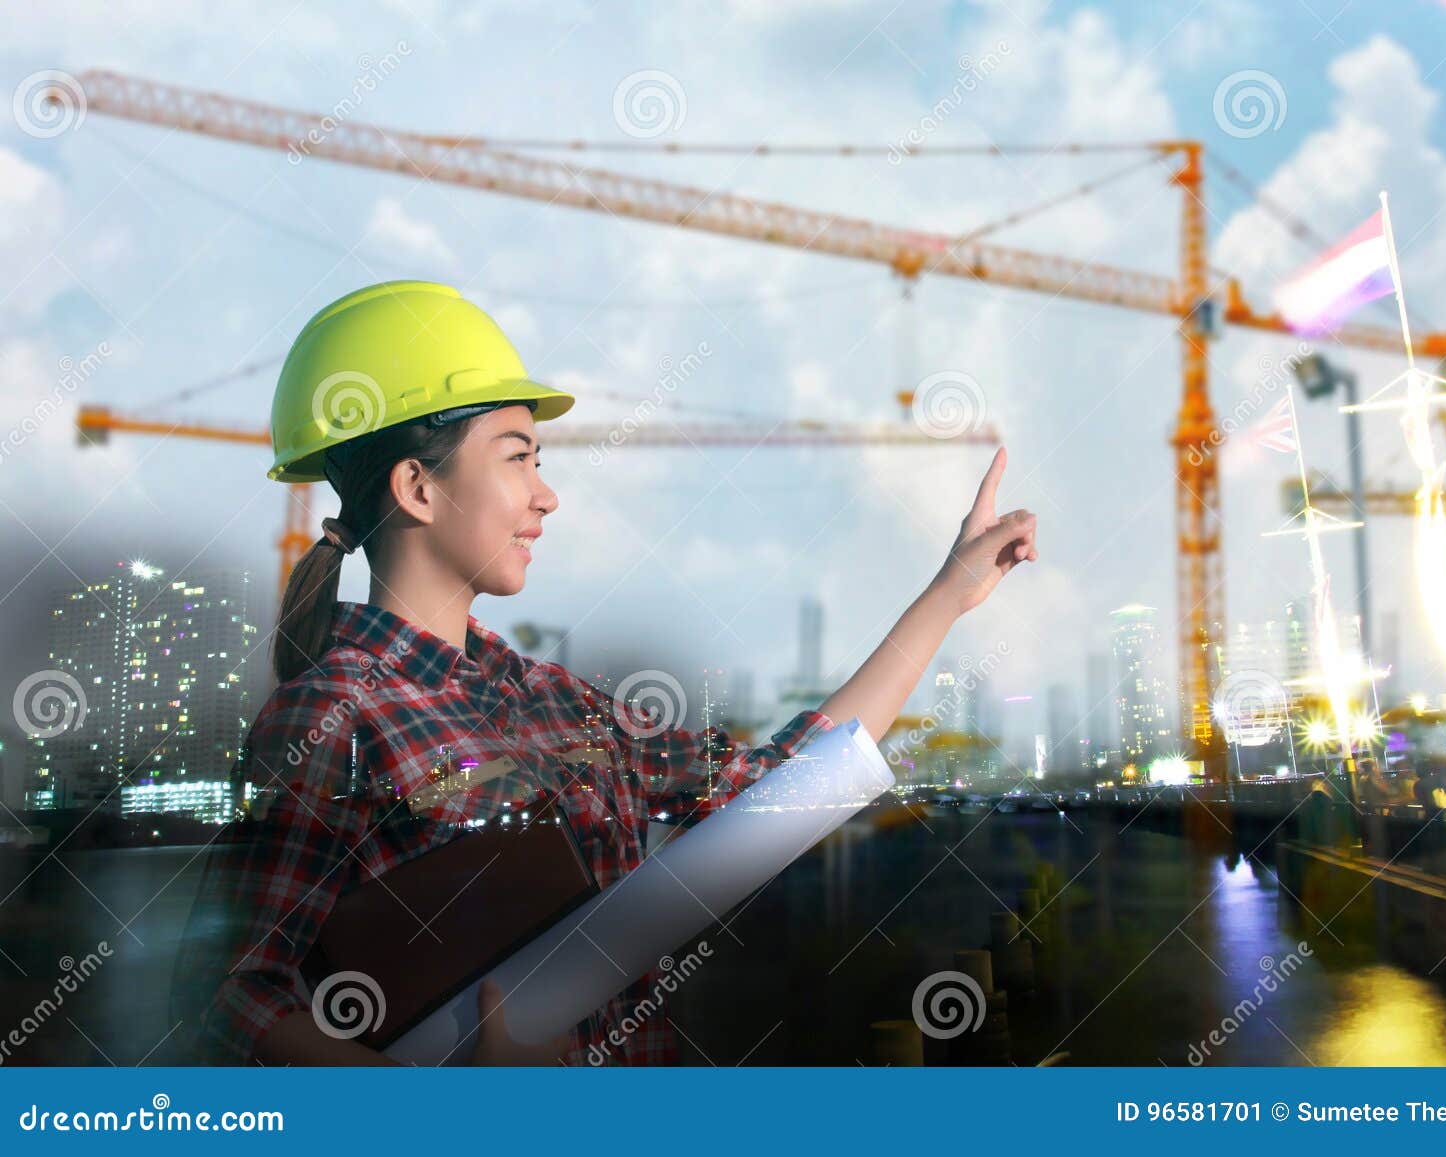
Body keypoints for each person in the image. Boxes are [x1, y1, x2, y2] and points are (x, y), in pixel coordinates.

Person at [194, 280, 1039, 1066]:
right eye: (518, 457)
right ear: (417, 486)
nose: (547, 494)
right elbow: (236, 996)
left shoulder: (557, 701)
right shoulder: (331, 715)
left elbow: (773, 788)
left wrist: (947, 596)